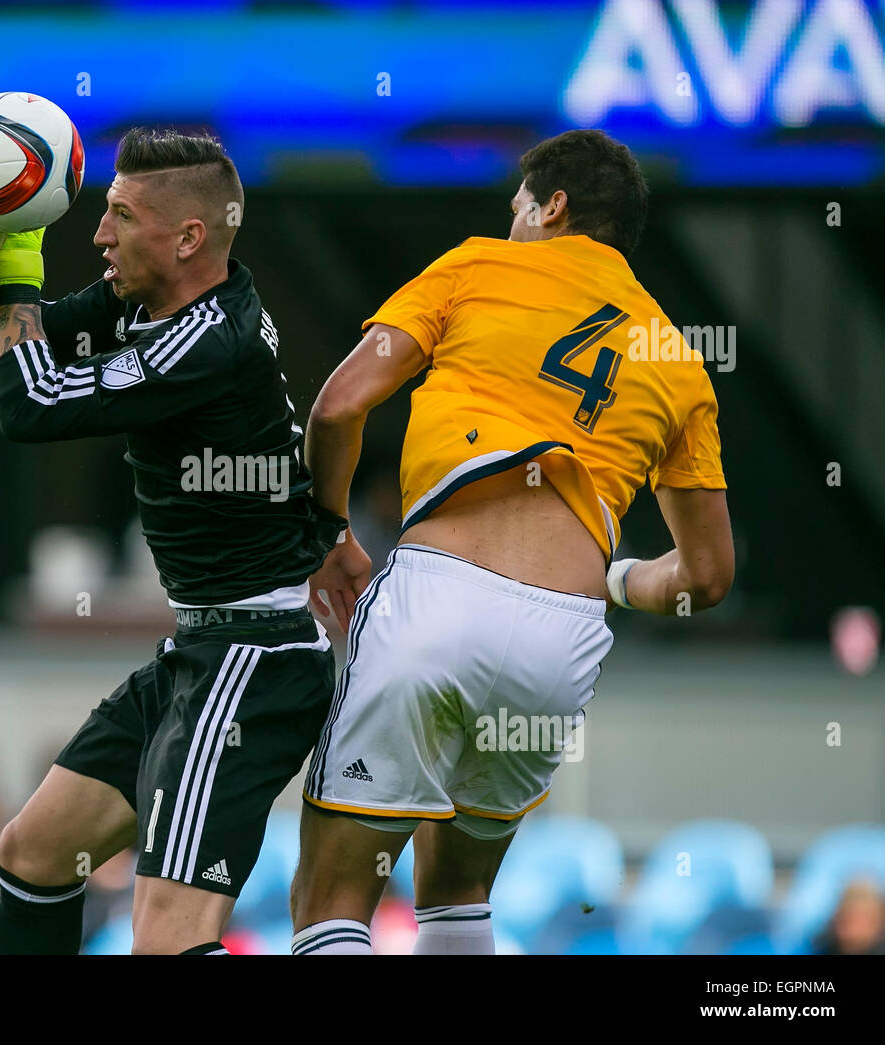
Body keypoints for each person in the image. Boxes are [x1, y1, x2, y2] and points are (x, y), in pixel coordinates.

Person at [290, 129, 734, 955]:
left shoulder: (476, 266)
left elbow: (337, 407)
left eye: (517, 208)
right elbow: (707, 578)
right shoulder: (677, 357)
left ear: (552, 204)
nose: (511, 222)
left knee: (332, 896)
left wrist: (328, 533)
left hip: (438, 597)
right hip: (560, 640)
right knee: (457, 894)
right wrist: (616, 578)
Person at [0, 128, 346, 954]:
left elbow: (33, 405)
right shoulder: (154, 299)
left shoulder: (209, 338)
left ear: (189, 236)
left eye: (118, 216)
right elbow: (15, 351)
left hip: (253, 660)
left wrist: (14, 253)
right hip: (203, 646)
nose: (98, 235)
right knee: (37, 850)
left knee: (164, 938)